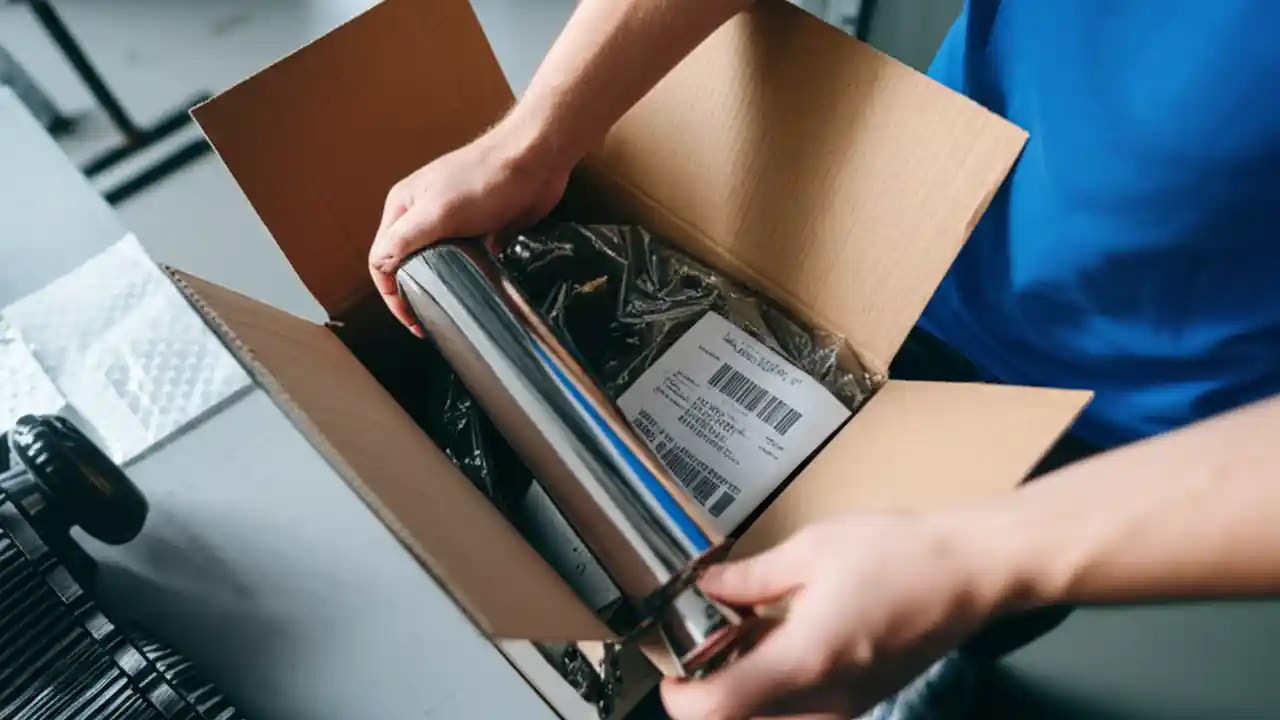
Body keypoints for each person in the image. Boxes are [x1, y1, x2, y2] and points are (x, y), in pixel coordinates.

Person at [368, 1, 1280, 717]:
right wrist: (536, 138)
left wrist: (975, 568)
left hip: (1158, 411)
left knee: (994, 606)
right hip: (929, 212)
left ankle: (940, 654)